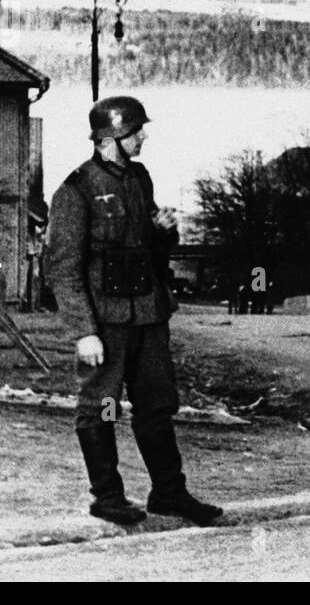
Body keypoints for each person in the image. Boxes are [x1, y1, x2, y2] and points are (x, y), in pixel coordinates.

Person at [44, 95, 223, 527]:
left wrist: (165, 232)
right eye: (135, 132)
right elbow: (63, 267)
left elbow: (151, 250)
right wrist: (83, 331)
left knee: (158, 404)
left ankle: (169, 493)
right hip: (106, 322)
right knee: (102, 405)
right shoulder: (76, 190)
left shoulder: (139, 178)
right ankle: (107, 497)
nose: (143, 137)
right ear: (111, 138)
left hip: (149, 314)